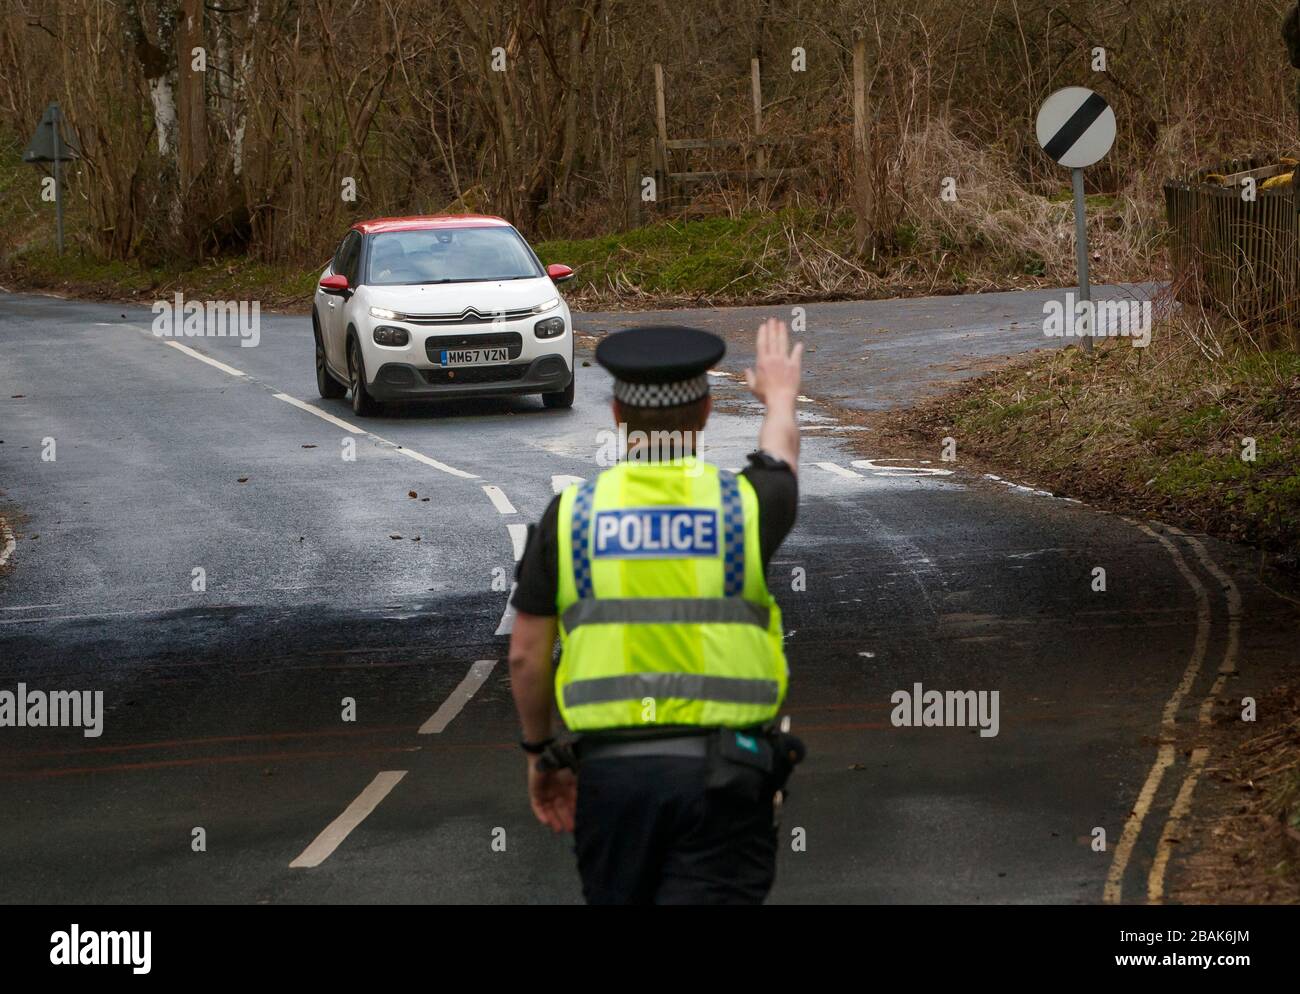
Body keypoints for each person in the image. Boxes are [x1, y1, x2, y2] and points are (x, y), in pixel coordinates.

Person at [507, 318, 804, 905]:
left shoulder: (570, 517)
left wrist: (542, 754)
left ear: (618, 416)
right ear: (705, 414)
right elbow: (781, 457)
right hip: (725, 779)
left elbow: (525, 656)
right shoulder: (745, 506)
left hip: (613, 783)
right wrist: (780, 398)